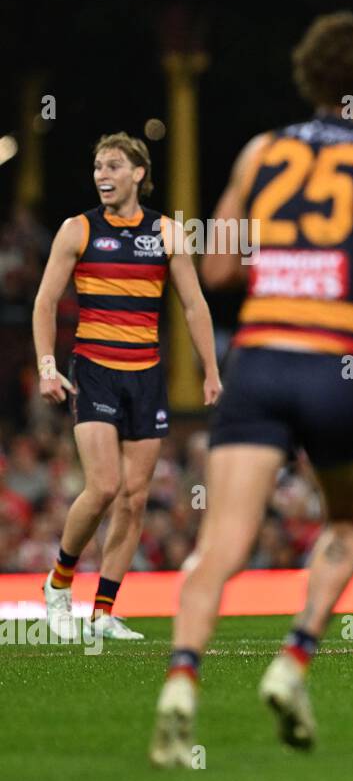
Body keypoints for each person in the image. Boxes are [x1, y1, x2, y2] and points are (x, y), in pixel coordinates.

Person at [149, 12, 353, 767]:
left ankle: (180, 684)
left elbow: (216, 265)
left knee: (219, 547)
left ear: (309, 76)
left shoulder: (262, 149)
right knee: (347, 521)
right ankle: (294, 656)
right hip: (334, 358)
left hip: (259, 357)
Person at [34, 132, 221, 642]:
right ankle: (58, 583)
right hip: (94, 369)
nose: (101, 175)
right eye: (97, 167)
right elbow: (45, 302)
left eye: (113, 166)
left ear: (138, 173)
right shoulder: (77, 230)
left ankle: (102, 613)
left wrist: (211, 370)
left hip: (147, 374)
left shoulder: (168, 231)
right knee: (104, 486)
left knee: (135, 499)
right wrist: (48, 366)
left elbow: (194, 305)